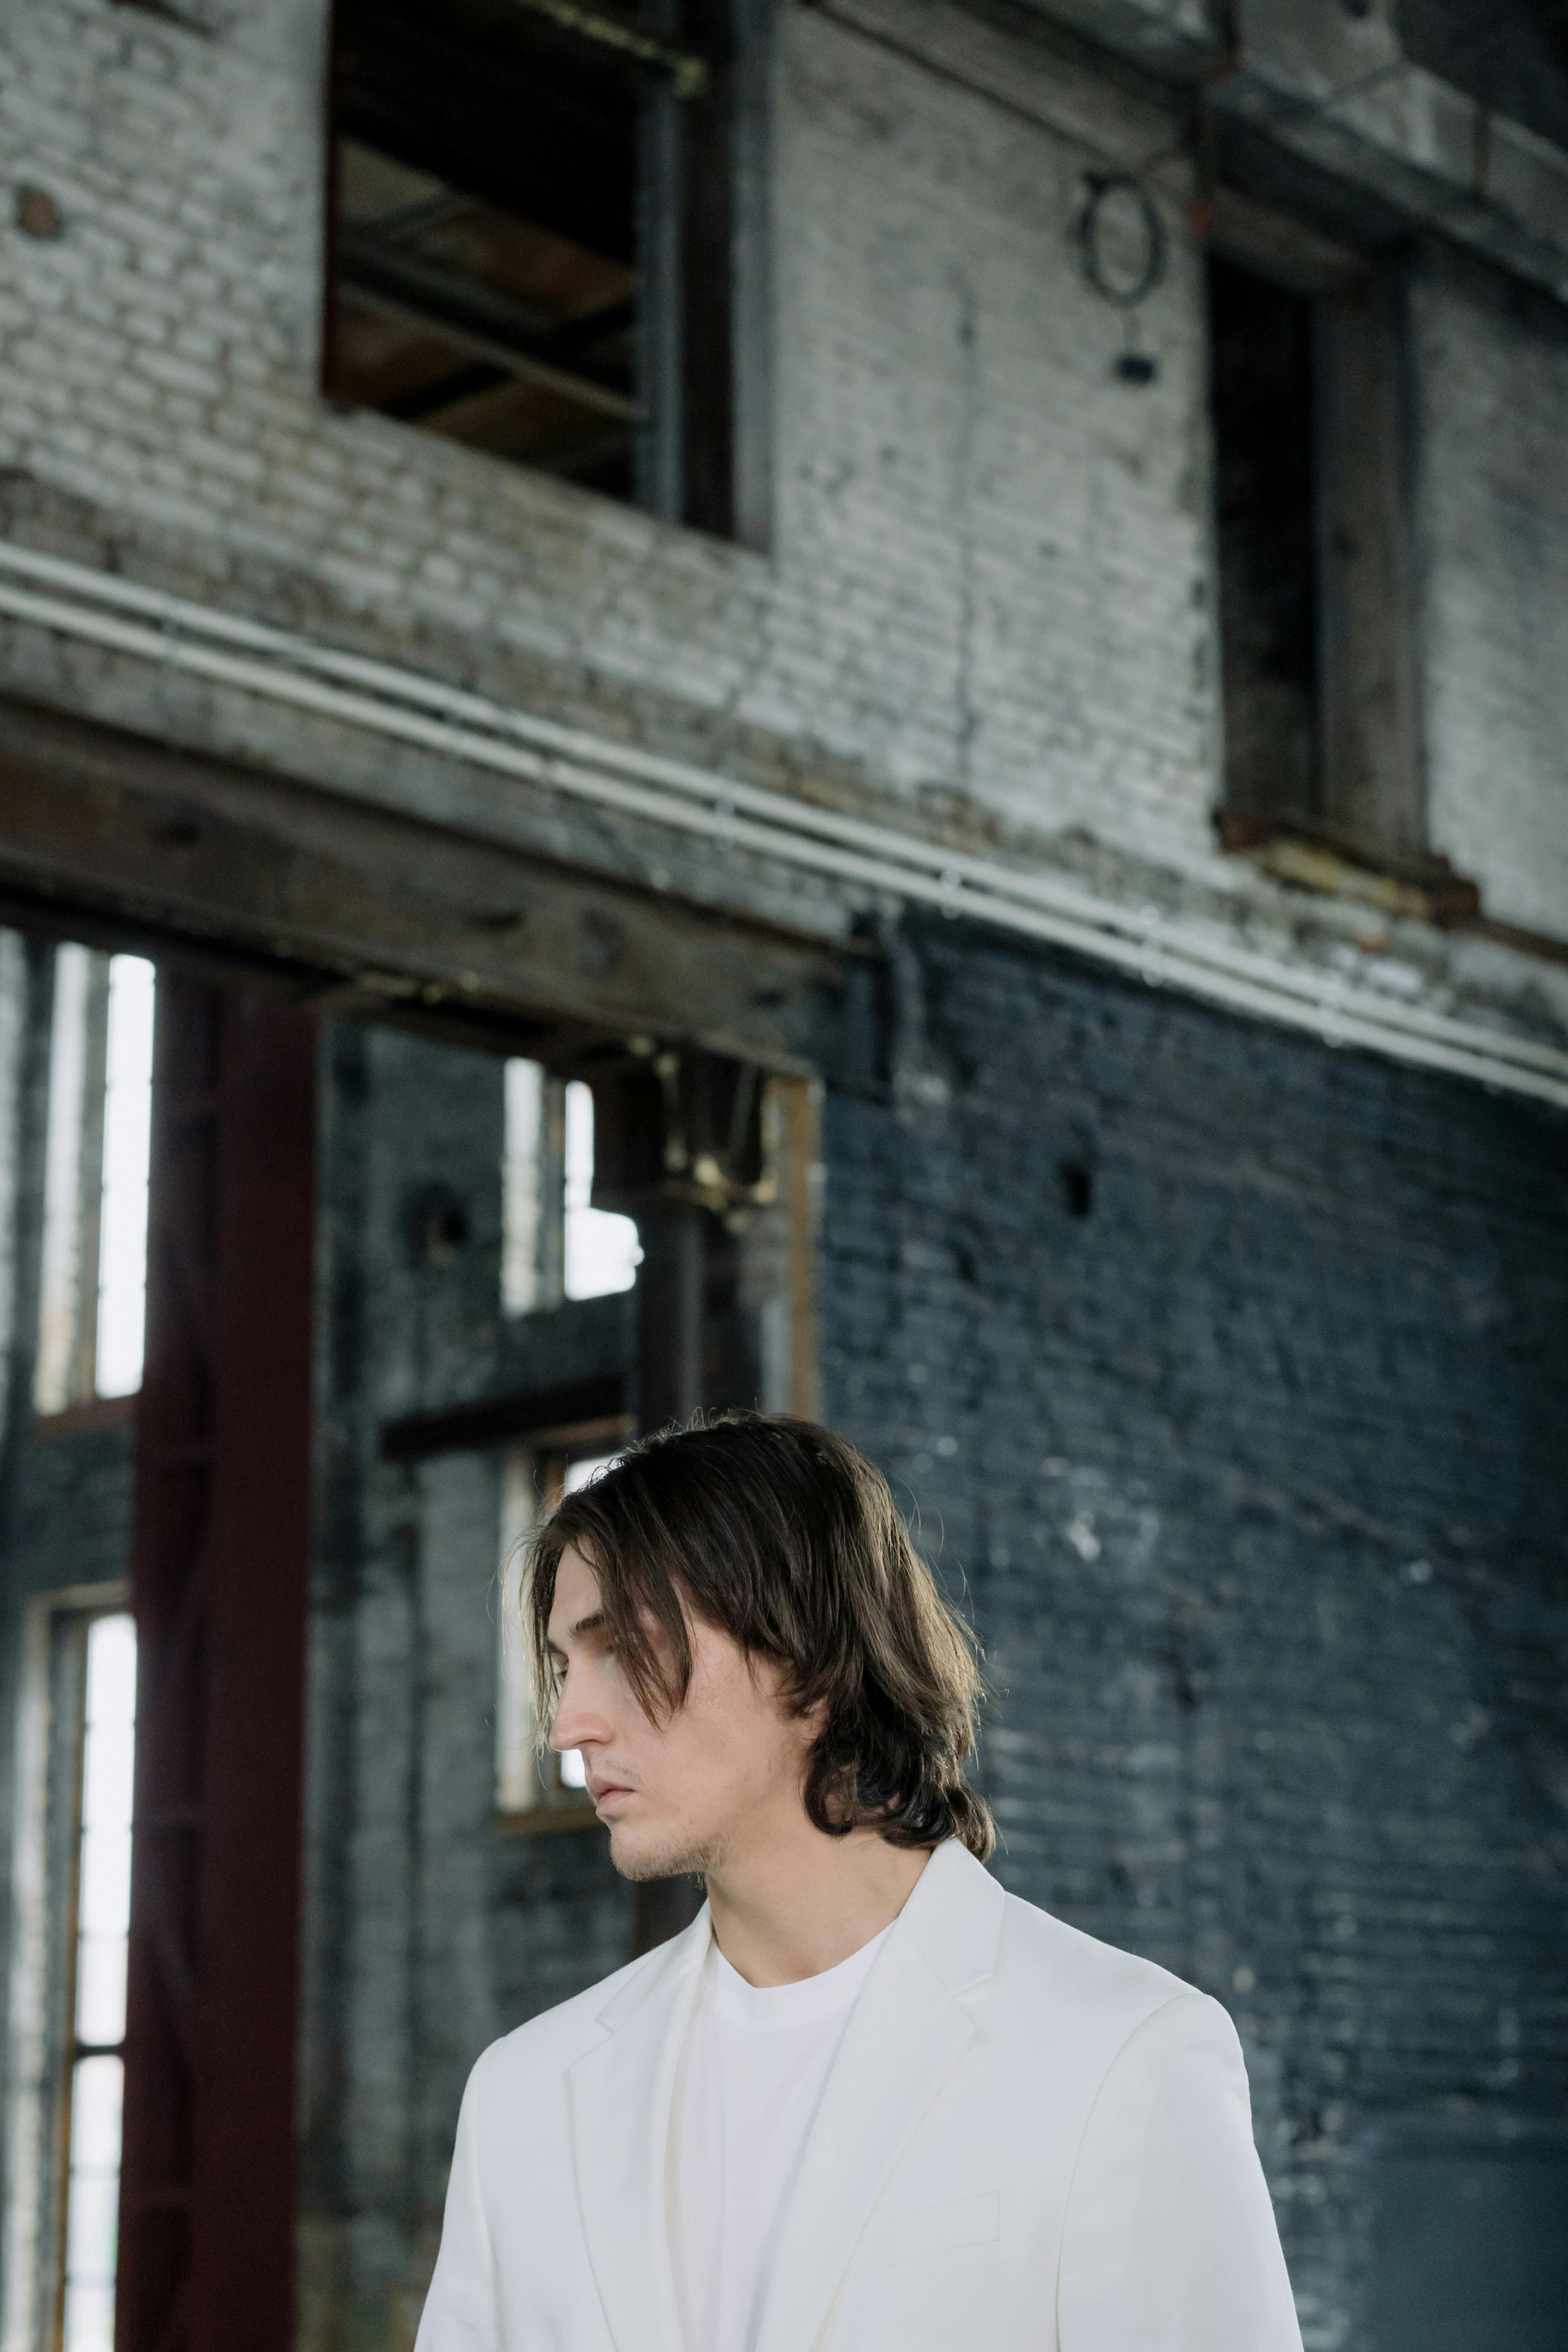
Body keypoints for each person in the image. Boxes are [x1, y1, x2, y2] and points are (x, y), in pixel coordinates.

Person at [416, 1413, 1302, 2352]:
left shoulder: (1124, 2057)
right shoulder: (525, 2094)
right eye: (564, 1665)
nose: (569, 1725)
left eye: (623, 1651)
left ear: (809, 1654)